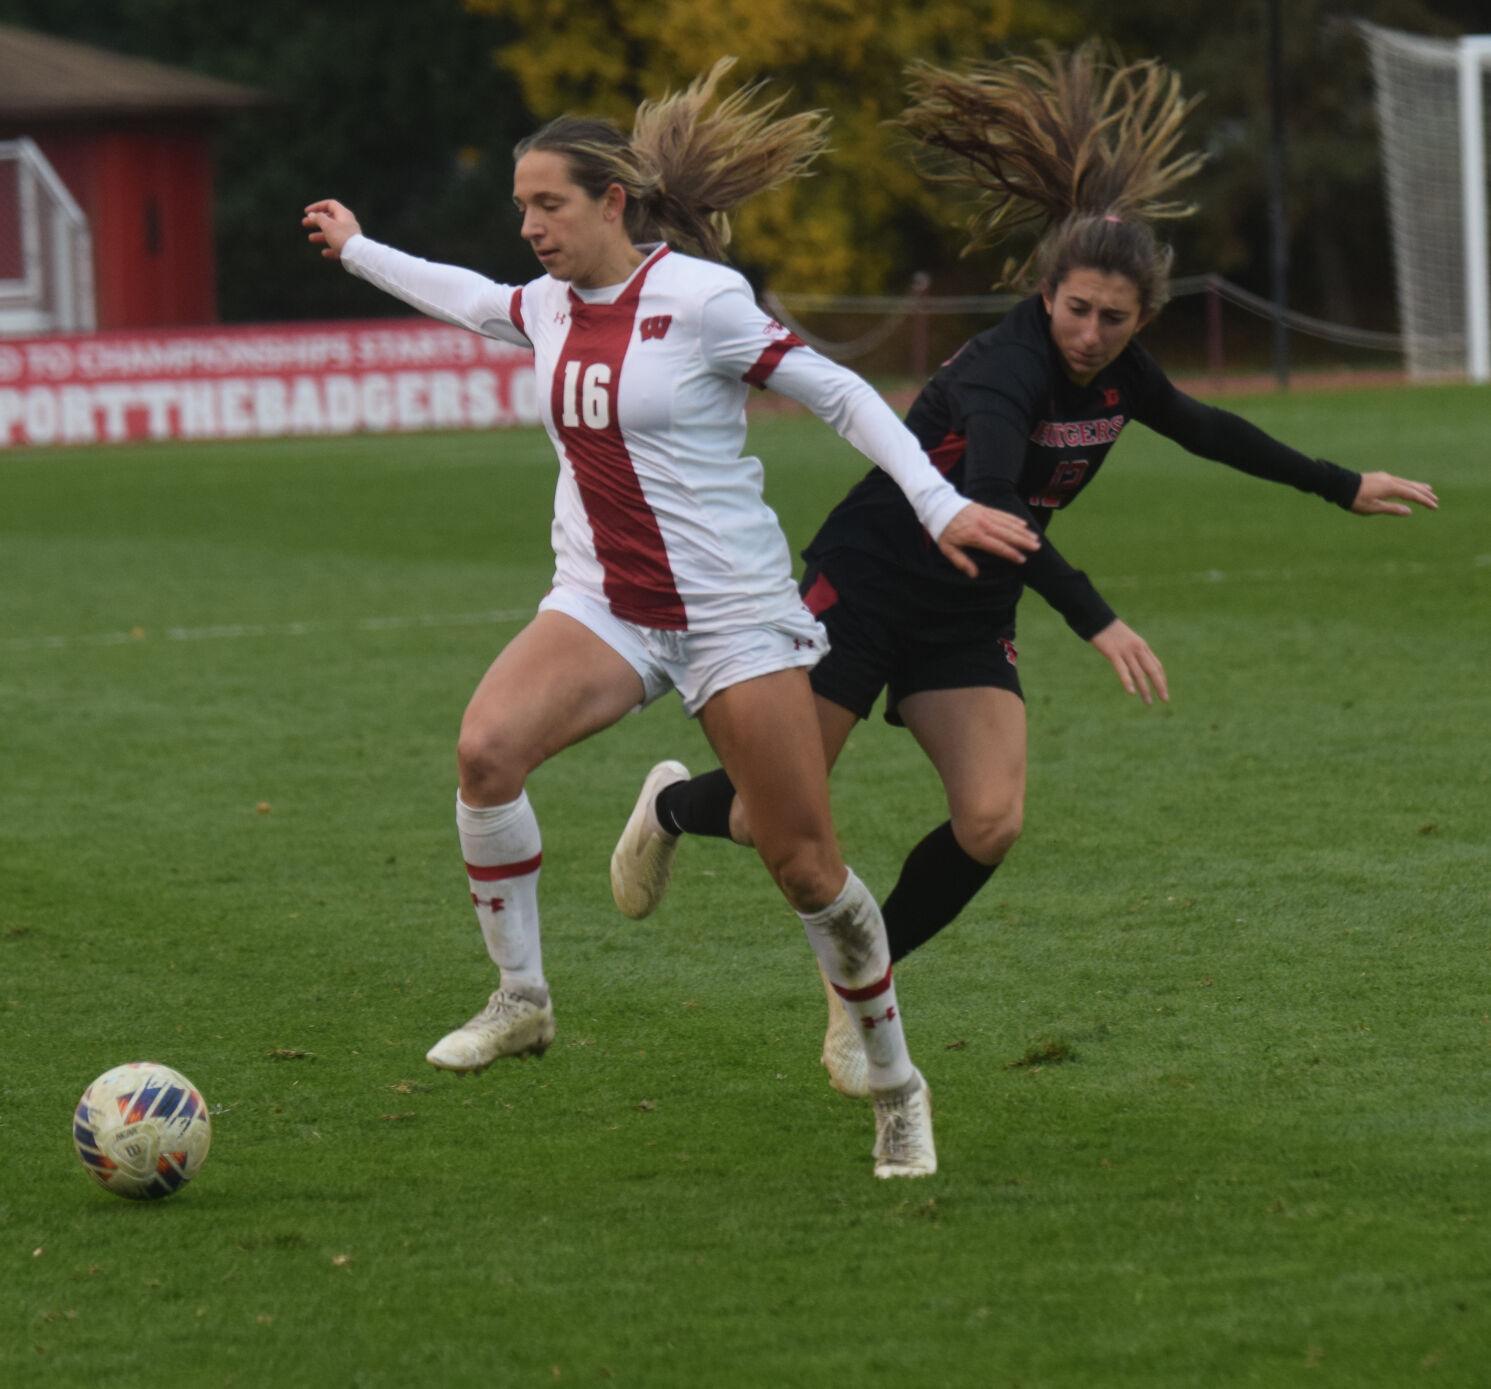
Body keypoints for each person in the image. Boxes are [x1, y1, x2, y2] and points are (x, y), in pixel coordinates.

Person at [609, 42, 1439, 1099]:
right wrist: (1097, 619)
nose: (1091, 334)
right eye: (1076, 310)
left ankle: (862, 982)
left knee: (992, 820)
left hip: (969, 609)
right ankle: (674, 808)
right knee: (780, 816)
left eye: (1115, 318)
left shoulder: (1121, 368)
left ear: (1144, 317)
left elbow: (1206, 427)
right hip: (866, 584)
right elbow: (995, 503)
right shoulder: (1002, 371)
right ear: (1045, 292)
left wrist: (1342, 481)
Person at [302, 58, 1040, 1178]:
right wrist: (356, 245)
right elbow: (462, 294)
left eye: (549, 204)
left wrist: (938, 502)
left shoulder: (701, 300)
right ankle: (523, 999)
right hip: (605, 605)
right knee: (485, 750)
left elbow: (837, 392)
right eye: (520, 207)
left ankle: (896, 1081)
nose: (530, 226)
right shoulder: (545, 307)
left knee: (804, 868)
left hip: (735, 619)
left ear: (611, 203)